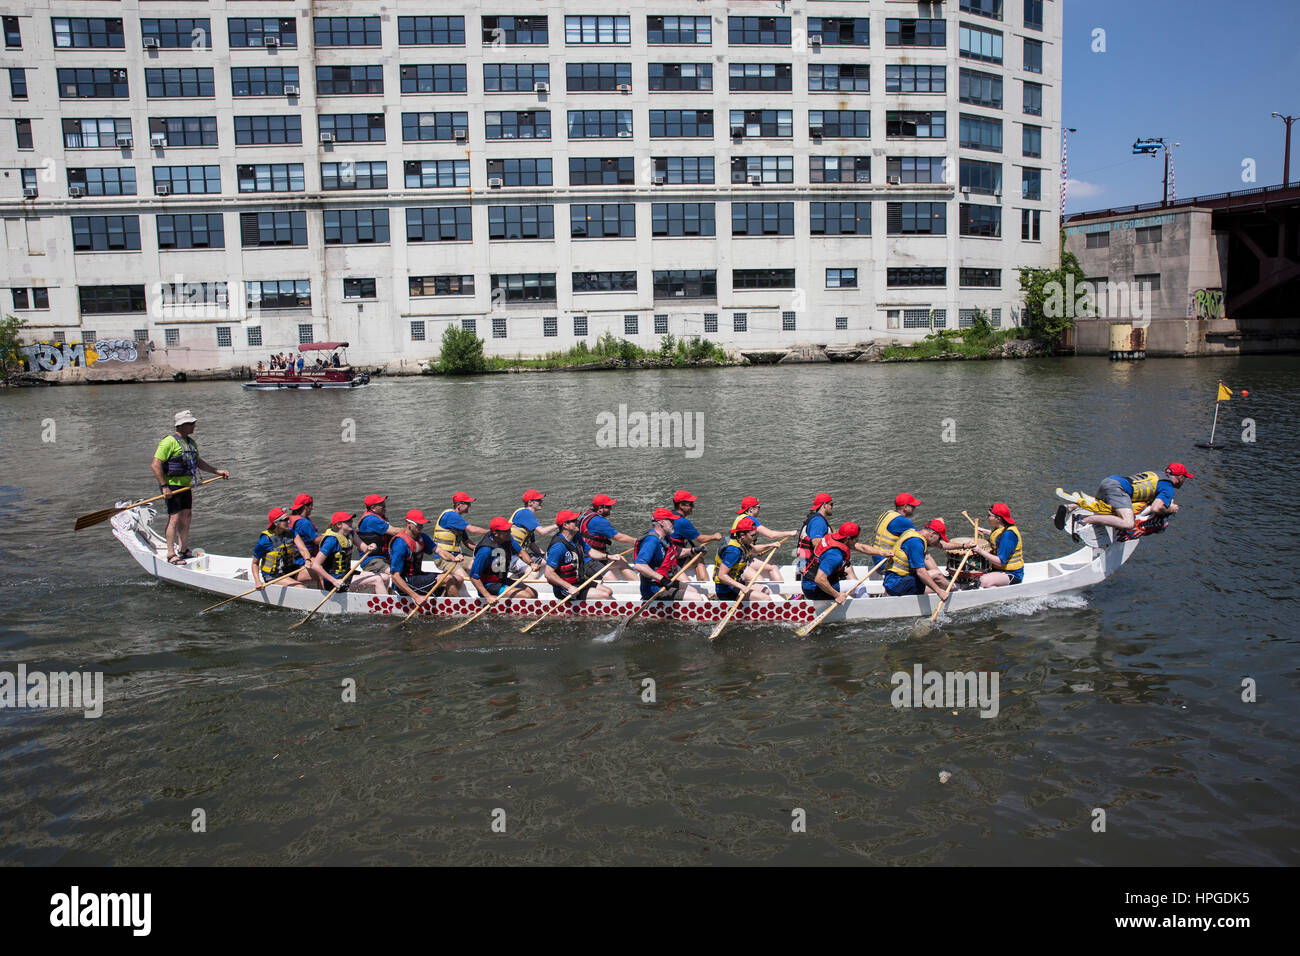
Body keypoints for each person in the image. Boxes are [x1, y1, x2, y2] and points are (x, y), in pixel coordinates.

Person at [150, 409, 230, 565]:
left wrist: (216, 471)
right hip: (172, 486)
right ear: (180, 425)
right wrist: (164, 486)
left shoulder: (191, 443)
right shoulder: (168, 442)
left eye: (193, 423)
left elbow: (197, 461)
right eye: (190, 423)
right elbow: (155, 465)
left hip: (185, 486)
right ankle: (171, 553)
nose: (194, 426)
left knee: (187, 516)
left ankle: (183, 549)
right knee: (175, 517)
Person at [1076, 463, 1193, 532]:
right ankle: (1084, 519)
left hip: (1109, 481)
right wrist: (1172, 509)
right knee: (1128, 524)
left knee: (1099, 507)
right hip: (1118, 489)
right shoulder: (1168, 486)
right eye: (1185, 478)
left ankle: (1071, 507)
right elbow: (1156, 508)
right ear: (1181, 477)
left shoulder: (1157, 475)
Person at [632, 508, 706, 602]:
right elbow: (640, 566)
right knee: (697, 598)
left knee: (694, 591)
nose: (674, 523)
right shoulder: (651, 541)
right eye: (671, 521)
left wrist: (693, 550)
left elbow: (675, 552)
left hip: (665, 582)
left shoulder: (665, 537)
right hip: (654, 588)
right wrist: (662, 579)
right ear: (662, 523)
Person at [544, 510, 614, 602]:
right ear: (565, 525)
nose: (578, 521)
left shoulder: (576, 537)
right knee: (604, 595)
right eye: (574, 520)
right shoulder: (558, 547)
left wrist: (608, 557)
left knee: (609, 591)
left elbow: (591, 552)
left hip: (579, 582)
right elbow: (548, 573)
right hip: (564, 589)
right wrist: (569, 587)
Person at [313, 511, 388, 595]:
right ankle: (386, 606)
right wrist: (334, 581)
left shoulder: (351, 534)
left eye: (351, 520)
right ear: (339, 525)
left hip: (347, 574)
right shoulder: (331, 541)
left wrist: (371, 547)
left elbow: (365, 549)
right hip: (335, 582)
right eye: (348, 521)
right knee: (377, 579)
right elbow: (316, 565)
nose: (351, 522)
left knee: (385, 577)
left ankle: (376, 601)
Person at [469, 517, 539, 600]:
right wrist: (488, 596)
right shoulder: (485, 551)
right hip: (489, 585)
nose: (510, 532)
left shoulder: (508, 538)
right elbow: (473, 577)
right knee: (527, 596)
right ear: (495, 534)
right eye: (506, 531)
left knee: (533, 593)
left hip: (502, 580)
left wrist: (531, 563)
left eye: (509, 529)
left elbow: (520, 552)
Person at [732, 496, 797, 582]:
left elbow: (749, 547)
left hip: (741, 555)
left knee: (769, 564)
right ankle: (788, 595)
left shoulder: (739, 518)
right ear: (751, 509)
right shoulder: (750, 521)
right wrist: (790, 533)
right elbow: (771, 535)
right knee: (772, 567)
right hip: (740, 560)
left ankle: (787, 595)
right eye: (758, 507)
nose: (759, 509)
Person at [432, 492, 489, 590]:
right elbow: (472, 530)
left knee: (476, 564)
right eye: (467, 503)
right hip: (444, 558)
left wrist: (482, 549)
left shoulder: (458, 521)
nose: (470, 506)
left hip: (458, 557)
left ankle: (483, 589)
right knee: (464, 578)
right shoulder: (450, 515)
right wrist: (491, 532)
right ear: (459, 505)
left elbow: (467, 542)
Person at [713, 516, 778, 602]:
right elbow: (721, 575)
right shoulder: (733, 552)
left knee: (765, 591)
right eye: (753, 535)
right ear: (742, 535)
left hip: (737, 584)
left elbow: (754, 549)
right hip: (726, 590)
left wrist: (771, 545)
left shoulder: (741, 542)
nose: (755, 538)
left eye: (756, 535)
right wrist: (742, 587)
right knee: (766, 599)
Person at [882, 519, 952, 598]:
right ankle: (956, 591)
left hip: (891, 581)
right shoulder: (916, 543)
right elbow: (921, 572)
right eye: (939, 539)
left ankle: (947, 590)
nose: (938, 542)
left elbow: (941, 545)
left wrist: (963, 546)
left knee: (931, 580)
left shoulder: (912, 532)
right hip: (897, 585)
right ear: (933, 534)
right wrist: (939, 592)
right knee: (937, 574)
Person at [800, 522, 866, 603]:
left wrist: (882, 553)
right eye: (856, 539)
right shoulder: (834, 556)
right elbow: (819, 579)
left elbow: (861, 547)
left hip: (807, 584)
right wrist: (837, 595)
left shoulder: (831, 538)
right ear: (848, 539)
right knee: (859, 586)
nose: (856, 542)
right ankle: (867, 608)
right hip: (815, 590)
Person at [389, 509, 444, 604]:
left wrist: (453, 558)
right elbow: (394, 576)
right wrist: (416, 597)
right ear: (409, 524)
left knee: (457, 579)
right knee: (446, 579)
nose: (421, 527)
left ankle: (444, 604)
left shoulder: (422, 537)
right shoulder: (400, 544)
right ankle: (458, 610)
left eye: (422, 525)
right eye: (418, 525)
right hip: (405, 581)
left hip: (417, 576)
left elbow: (439, 550)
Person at [579, 494, 638, 581]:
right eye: (608, 507)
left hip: (599, 555)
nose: (611, 508)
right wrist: (638, 541)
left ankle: (637, 584)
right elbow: (619, 537)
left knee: (621, 560)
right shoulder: (598, 521)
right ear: (599, 509)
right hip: (588, 559)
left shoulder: (587, 514)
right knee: (611, 579)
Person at [669, 490, 721, 582]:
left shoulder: (669, 515)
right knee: (699, 559)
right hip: (673, 557)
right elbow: (700, 539)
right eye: (691, 504)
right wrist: (714, 536)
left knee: (696, 555)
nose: (693, 507)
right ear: (681, 505)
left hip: (671, 552)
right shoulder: (683, 522)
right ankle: (709, 591)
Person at [972, 503, 1024, 588]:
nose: (987, 518)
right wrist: (984, 531)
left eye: (989, 515)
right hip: (998, 570)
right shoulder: (1001, 527)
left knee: (983, 581)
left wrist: (979, 550)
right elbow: (997, 537)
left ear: (998, 518)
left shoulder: (1009, 535)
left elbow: (1000, 561)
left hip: (1012, 573)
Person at [251, 507, 304, 589]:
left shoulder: (290, 533)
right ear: (276, 523)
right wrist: (257, 581)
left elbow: (303, 549)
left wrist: (308, 560)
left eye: (288, 518)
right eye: (285, 520)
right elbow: (255, 563)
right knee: (300, 587)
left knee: (317, 573)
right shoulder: (264, 540)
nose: (289, 522)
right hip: (273, 575)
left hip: (289, 570)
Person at [355, 494, 399, 574]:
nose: (385, 508)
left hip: (384, 557)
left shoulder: (377, 517)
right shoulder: (371, 520)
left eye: (384, 505)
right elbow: (394, 531)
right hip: (372, 560)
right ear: (373, 508)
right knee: (395, 573)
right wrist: (410, 530)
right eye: (382, 506)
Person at [794, 493, 835, 579]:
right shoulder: (818, 521)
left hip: (805, 565)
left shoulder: (815, 519)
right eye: (831, 504)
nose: (832, 507)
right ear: (824, 505)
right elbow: (816, 543)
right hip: (810, 568)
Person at [510, 490, 555, 563]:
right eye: (538, 500)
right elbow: (542, 531)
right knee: (550, 562)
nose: (541, 501)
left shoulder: (527, 518)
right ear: (530, 502)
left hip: (518, 554)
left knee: (548, 559)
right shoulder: (525, 513)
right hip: (512, 555)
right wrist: (558, 524)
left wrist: (544, 555)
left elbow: (532, 544)